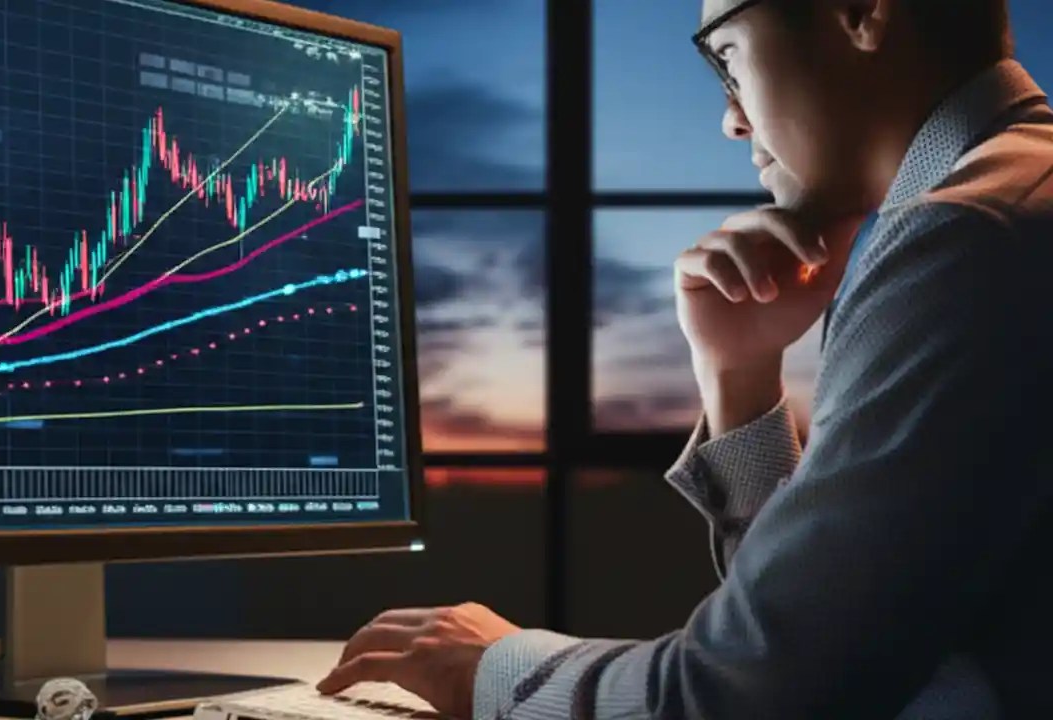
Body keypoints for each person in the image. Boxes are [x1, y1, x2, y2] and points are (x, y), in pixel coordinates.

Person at [318, 0, 1053, 717]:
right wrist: (740, 374)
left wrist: (493, 670)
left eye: (727, 56)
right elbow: (822, 631)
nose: (732, 119)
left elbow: (759, 689)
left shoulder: (969, 236)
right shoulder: (1011, 195)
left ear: (861, 12)